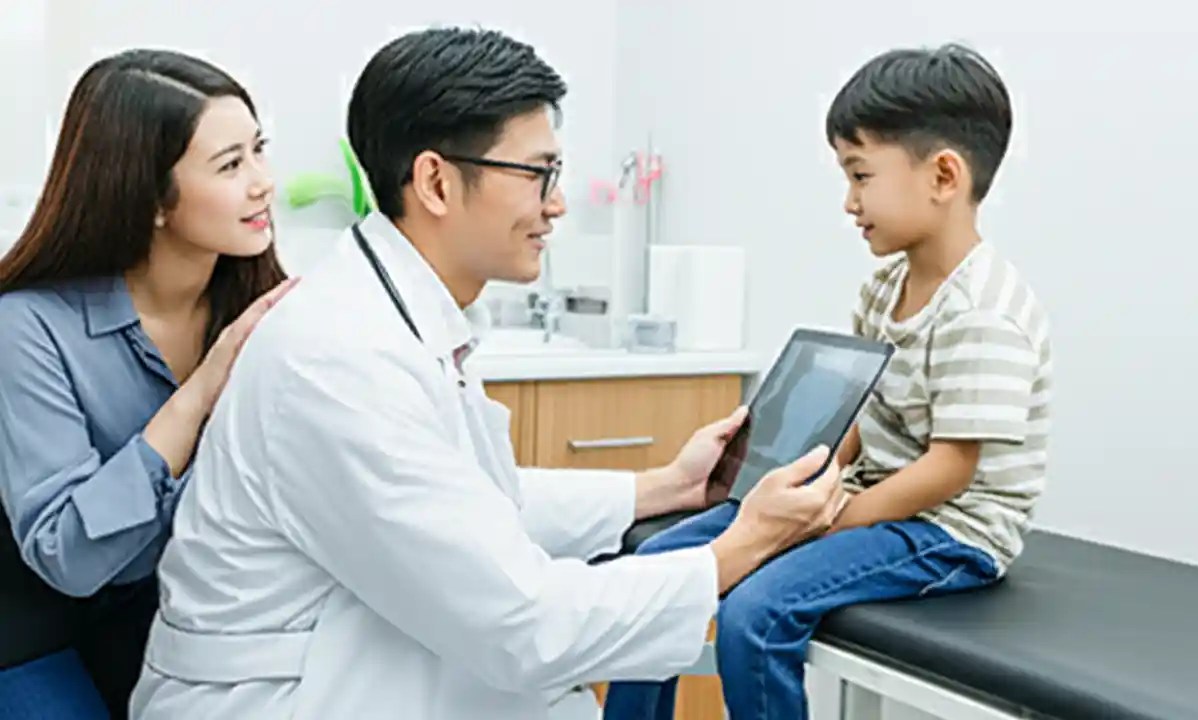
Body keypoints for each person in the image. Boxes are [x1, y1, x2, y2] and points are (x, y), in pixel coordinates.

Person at [128, 27, 846, 720]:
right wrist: (745, 543)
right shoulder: (339, 358)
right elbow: (522, 623)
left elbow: (463, 503)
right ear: (436, 182)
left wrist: (666, 486)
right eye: (539, 175)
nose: (556, 203)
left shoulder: (398, 315)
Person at [603, 43, 1054, 720]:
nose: (849, 202)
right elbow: (858, 421)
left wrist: (827, 519)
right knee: (655, 572)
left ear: (942, 175)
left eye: (861, 175)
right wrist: (799, 486)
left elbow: (950, 470)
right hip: (872, 500)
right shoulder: (884, 288)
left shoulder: (985, 312)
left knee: (755, 615)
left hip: (950, 531)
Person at [0, 49, 294, 719]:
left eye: (258, 151)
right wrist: (198, 393)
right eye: (230, 165)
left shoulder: (266, 308)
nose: (263, 183)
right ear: (149, 197)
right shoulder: (24, 328)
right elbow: (68, 556)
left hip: (190, 610)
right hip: (40, 623)